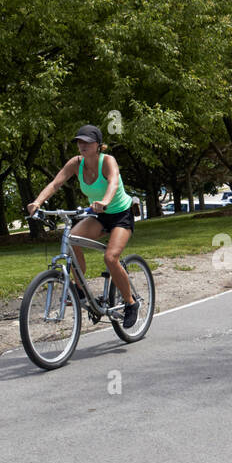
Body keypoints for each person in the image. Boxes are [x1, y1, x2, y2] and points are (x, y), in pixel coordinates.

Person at [26, 125, 140, 328]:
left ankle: (131, 303)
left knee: (110, 257)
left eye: (87, 142)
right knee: (71, 240)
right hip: (98, 216)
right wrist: (37, 202)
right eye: (80, 142)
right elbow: (55, 184)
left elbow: (113, 183)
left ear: (98, 145)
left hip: (121, 214)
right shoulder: (75, 164)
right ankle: (80, 290)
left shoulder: (108, 161)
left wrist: (104, 201)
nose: (82, 145)